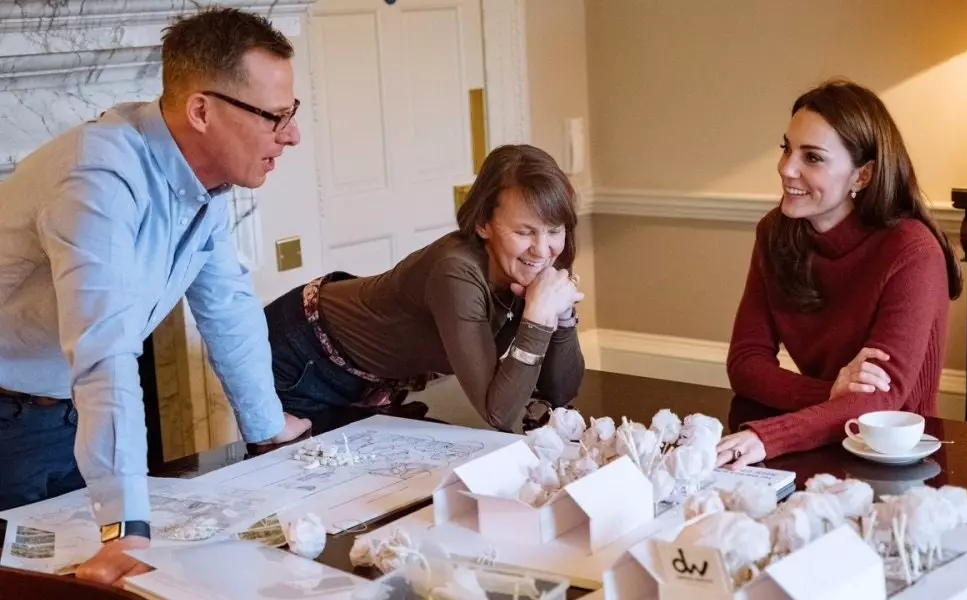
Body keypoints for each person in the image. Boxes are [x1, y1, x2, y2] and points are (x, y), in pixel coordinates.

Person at [0, 8, 311, 585]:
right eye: (276, 117)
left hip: (64, 413)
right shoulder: (98, 173)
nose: (291, 134)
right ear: (201, 110)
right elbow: (106, 350)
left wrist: (267, 429)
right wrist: (125, 529)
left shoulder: (205, 188)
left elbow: (227, 306)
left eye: (292, 114)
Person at [715, 79, 963, 469]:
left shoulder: (912, 252)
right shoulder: (775, 233)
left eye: (812, 157)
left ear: (862, 176)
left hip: (896, 461)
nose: (786, 168)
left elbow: (882, 400)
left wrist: (770, 436)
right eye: (787, 149)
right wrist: (833, 392)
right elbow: (745, 364)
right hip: (818, 442)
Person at [265, 144, 586, 432]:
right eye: (525, 232)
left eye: (554, 230)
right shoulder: (455, 273)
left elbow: (558, 393)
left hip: (374, 377)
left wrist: (562, 315)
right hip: (301, 351)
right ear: (483, 223)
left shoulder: (540, 262)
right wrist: (538, 319)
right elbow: (499, 413)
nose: (543, 250)